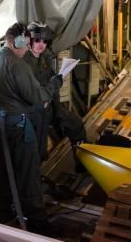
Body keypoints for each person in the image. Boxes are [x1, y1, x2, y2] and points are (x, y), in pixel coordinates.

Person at [0, 22, 63, 234]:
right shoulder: (18, 65)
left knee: (0, 174)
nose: (27, 49)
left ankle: (3, 216)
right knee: (28, 175)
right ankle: (38, 225)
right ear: (17, 41)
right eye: (25, 44)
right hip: (19, 126)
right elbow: (38, 97)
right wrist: (55, 83)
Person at [23, 21, 86, 168]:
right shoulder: (23, 62)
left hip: (49, 108)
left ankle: (82, 165)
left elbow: (53, 87)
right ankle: (33, 184)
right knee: (37, 152)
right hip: (34, 113)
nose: (41, 44)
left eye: (45, 41)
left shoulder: (45, 58)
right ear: (29, 40)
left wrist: (58, 112)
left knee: (76, 125)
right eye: (37, 40)